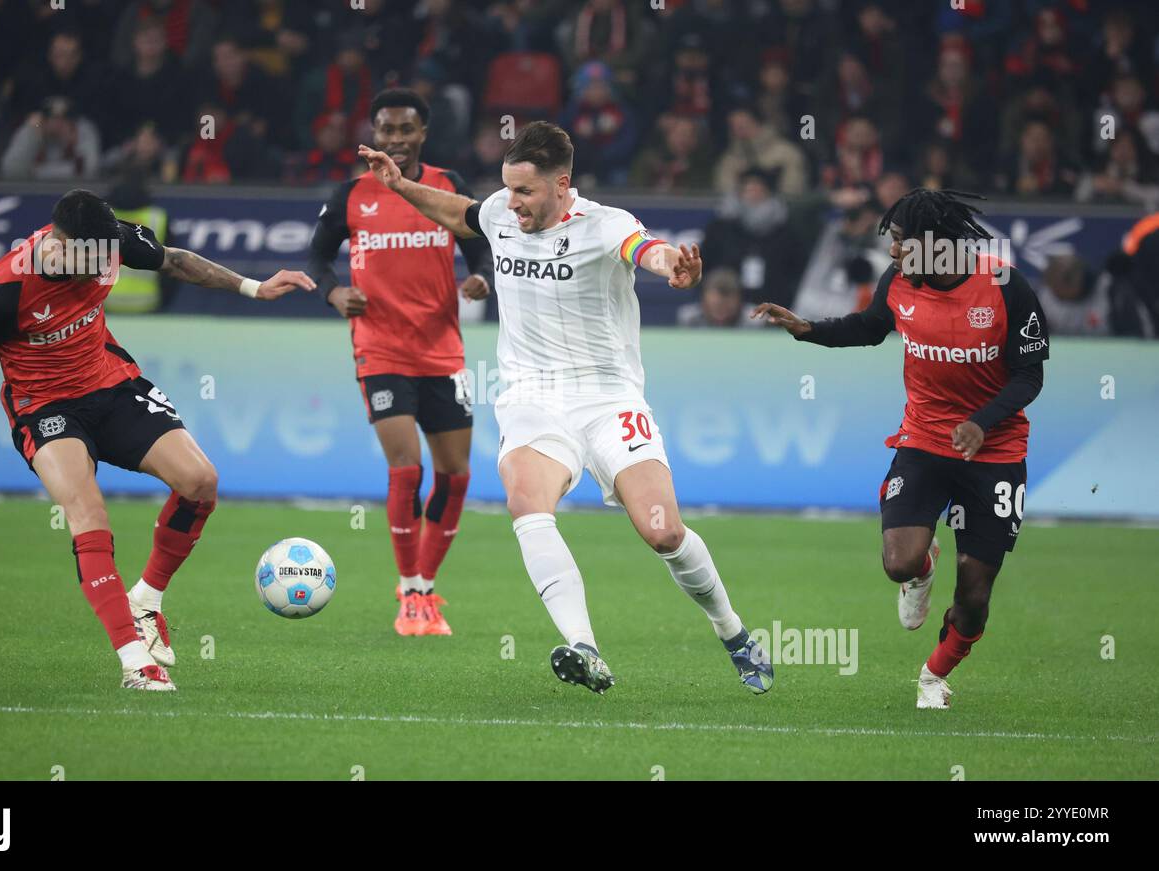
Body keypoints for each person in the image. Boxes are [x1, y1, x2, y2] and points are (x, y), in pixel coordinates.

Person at [358, 121, 773, 695]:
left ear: (562, 184)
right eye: (507, 189)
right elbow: (461, 213)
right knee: (526, 500)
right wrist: (401, 185)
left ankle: (732, 632)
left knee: (663, 532)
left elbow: (648, 251)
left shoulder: (606, 225)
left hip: (608, 397)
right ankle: (585, 647)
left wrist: (674, 265)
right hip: (531, 396)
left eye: (525, 191)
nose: (512, 202)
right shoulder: (502, 213)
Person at [0, 189, 315, 691]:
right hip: (45, 407)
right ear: (57, 242)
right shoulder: (6, 290)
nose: (100, 266)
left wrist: (254, 287)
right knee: (88, 515)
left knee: (200, 482)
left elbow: (178, 262)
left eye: (104, 254)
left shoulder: (110, 242)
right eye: (88, 256)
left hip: (111, 385)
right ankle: (136, 662)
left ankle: (147, 601)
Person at [752, 189, 1050, 709]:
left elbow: (1029, 376)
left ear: (936, 244)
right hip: (925, 440)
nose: (892, 252)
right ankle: (923, 567)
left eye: (899, 241)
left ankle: (934, 675)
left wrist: (982, 423)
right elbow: (870, 328)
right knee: (899, 562)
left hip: (995, 451)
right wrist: (807, 330)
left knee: (974, 597)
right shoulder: (900, 282)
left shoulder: (1004, 285)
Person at [308, 89, 493, 636]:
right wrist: (334, 295)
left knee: (456, 475)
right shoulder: (352, 194)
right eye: (385, 129)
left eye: (404, 129)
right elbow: (317, 257)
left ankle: (425, 588)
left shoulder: (448, 185)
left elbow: (478, 239)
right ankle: (411, 592)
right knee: (406, 468)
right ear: (373, 133)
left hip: (443, 350)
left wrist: (479, 275)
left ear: (422, 134)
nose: (393, 139)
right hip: (380, 348)